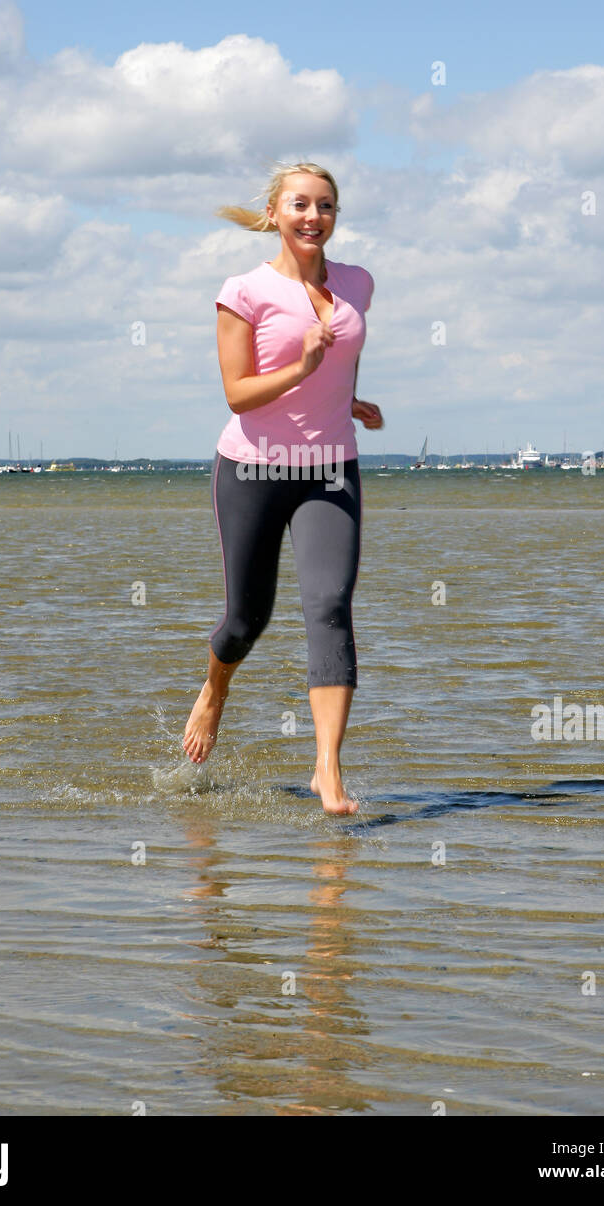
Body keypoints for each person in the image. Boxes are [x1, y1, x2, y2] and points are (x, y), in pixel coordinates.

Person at [183, 161, 383, 815]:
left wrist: (348, 400)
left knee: (329, 605)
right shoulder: (243, 291)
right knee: (247, 620)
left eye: (325, 206)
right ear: (274, 213)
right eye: (300, 204)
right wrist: (301, 366)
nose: (313, 217)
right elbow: (238, 393)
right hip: (254, 468)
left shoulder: (357, 284)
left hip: (331, 471)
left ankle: (328, 770)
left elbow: (343, 355)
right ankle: (215, 691)